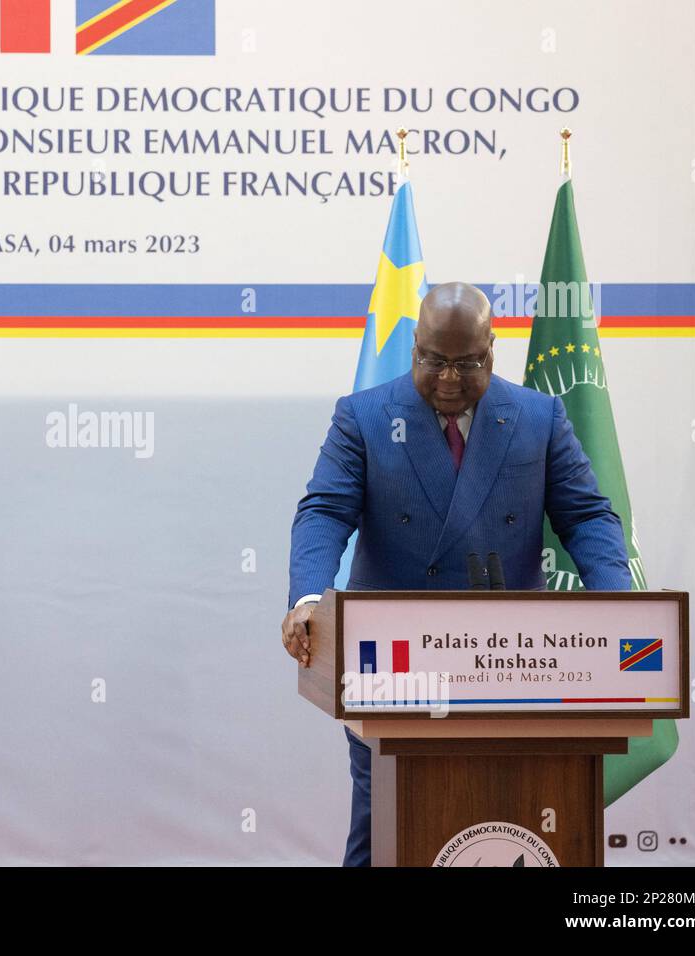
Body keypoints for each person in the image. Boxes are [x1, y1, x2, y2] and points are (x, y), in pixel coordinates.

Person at [281, 281, 631, 866]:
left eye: (466, 363)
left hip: (515, 670)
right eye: (433, 361)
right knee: (383, 833)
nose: (448, 379)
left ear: (492, 350)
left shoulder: (538, 417)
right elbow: (324, 511)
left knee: (517, 828)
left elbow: (588, 516)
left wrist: (617, 602)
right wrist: (309, 596)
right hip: (389, 671)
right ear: (414, 345)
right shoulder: (363, 418)